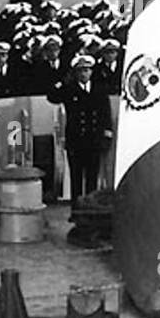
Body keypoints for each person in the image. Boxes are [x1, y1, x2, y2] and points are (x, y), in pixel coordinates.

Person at [47, 54, 113, 210]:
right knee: (76, 179)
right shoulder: (69, 89)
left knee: (92, 178)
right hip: (76, 141)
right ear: (75, 73)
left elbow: (106, 115)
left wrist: (106, 136)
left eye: (87, 70)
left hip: (94, 140)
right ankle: (76, 211)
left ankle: (90, 211)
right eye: (80, 71)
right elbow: (52, 96)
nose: (84, 74)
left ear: (91, 72)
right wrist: (63, 81)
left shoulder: (99, 90)